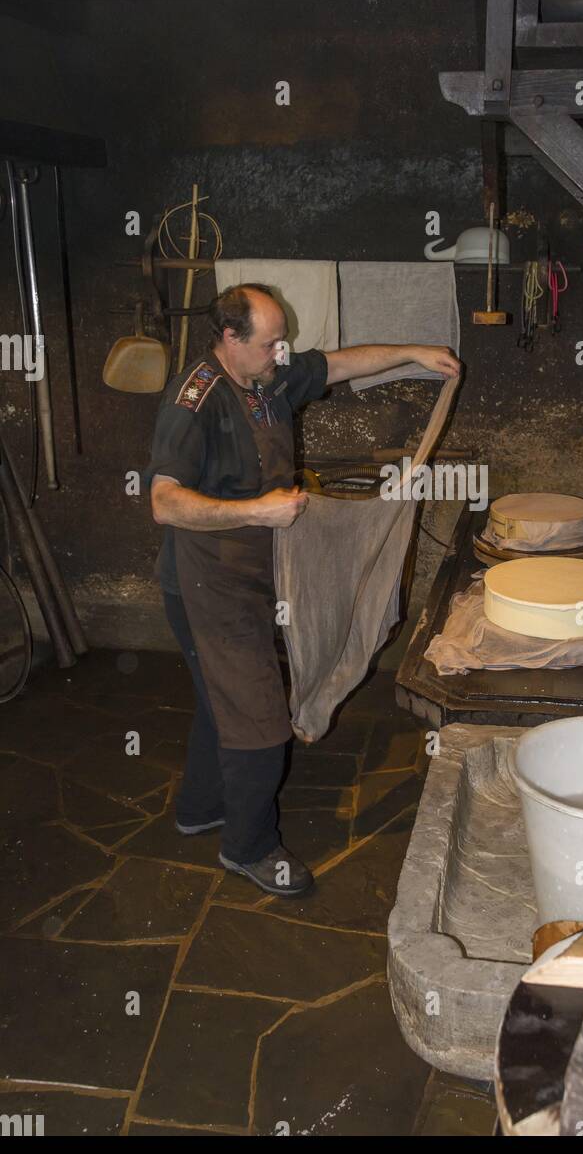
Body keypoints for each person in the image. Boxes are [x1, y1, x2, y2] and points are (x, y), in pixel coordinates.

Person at [145, 282, 460, 897]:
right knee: (262, 723)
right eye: (269, 343)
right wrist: (256, 511)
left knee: (219, 701)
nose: (280, 352)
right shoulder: (194, 400)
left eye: (281, 341)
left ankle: (201, 808)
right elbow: (164, 502)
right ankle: (249, 848)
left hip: (256, 573)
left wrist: (414, 353)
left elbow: (338, 364)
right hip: (207, 584)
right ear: (229, 338)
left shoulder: (267, 375)